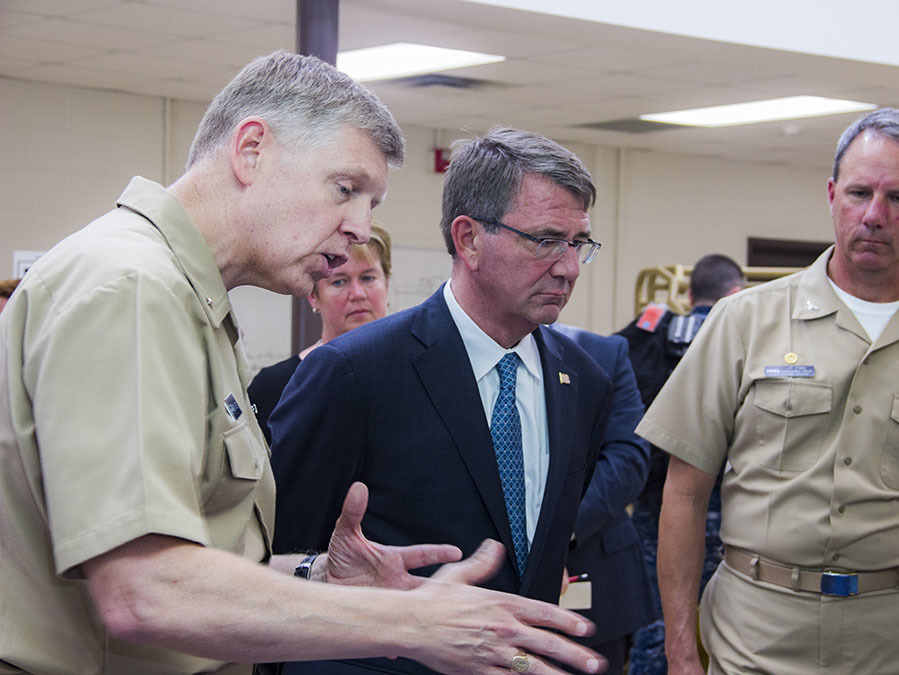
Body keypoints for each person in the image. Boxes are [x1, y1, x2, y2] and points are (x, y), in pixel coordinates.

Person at [0, 51, 605, 675]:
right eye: (345, 189)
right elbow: (143, 589)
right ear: (251, 150)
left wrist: (319, 575)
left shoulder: (186, 301)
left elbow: (191, 555)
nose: (359, 228)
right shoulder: (130, 287)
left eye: (370, 202)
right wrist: (416, 623)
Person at [639, 107, 899, 674]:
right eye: (859, 192)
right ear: (831, 195)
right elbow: (684, 494)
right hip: (756, 637)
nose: (873, 215)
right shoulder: (743, 322)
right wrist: (679, 653)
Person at [269, 126, 612, 674]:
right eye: (546, 240)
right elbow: (274, 565)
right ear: (469, 238)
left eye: (578, 244)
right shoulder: (356, 373)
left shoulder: (584, 383)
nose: (568, 268)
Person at [618, 255, 743, 675]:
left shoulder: (655, 331)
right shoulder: (742, 336)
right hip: (731, 514)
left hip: (654, 507)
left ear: (690, 296)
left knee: (658, 627)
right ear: (736, 293)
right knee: (738, 634)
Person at [550, 323, 657, 675]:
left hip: (591, 575)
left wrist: (553, 534)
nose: (566, 271)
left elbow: (628, 459)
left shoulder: (602, 353)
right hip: (479, 586)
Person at [249, 221, 392, 443]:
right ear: (313, 296)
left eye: (368, 278)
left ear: (387, 284)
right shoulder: (274, 386)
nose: (357, 294)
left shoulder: (417, 375)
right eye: (339, 282)